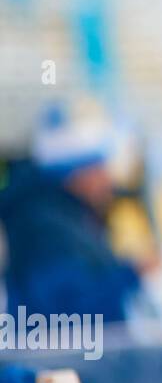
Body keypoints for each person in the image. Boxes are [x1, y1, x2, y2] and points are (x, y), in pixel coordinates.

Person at [0, 103, 141, 323]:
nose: (108, 180)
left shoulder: (71, 218)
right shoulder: (45, 227)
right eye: (98, 170)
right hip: (61, 357)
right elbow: (65, 314)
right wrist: (131, 274)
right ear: (75, 174)